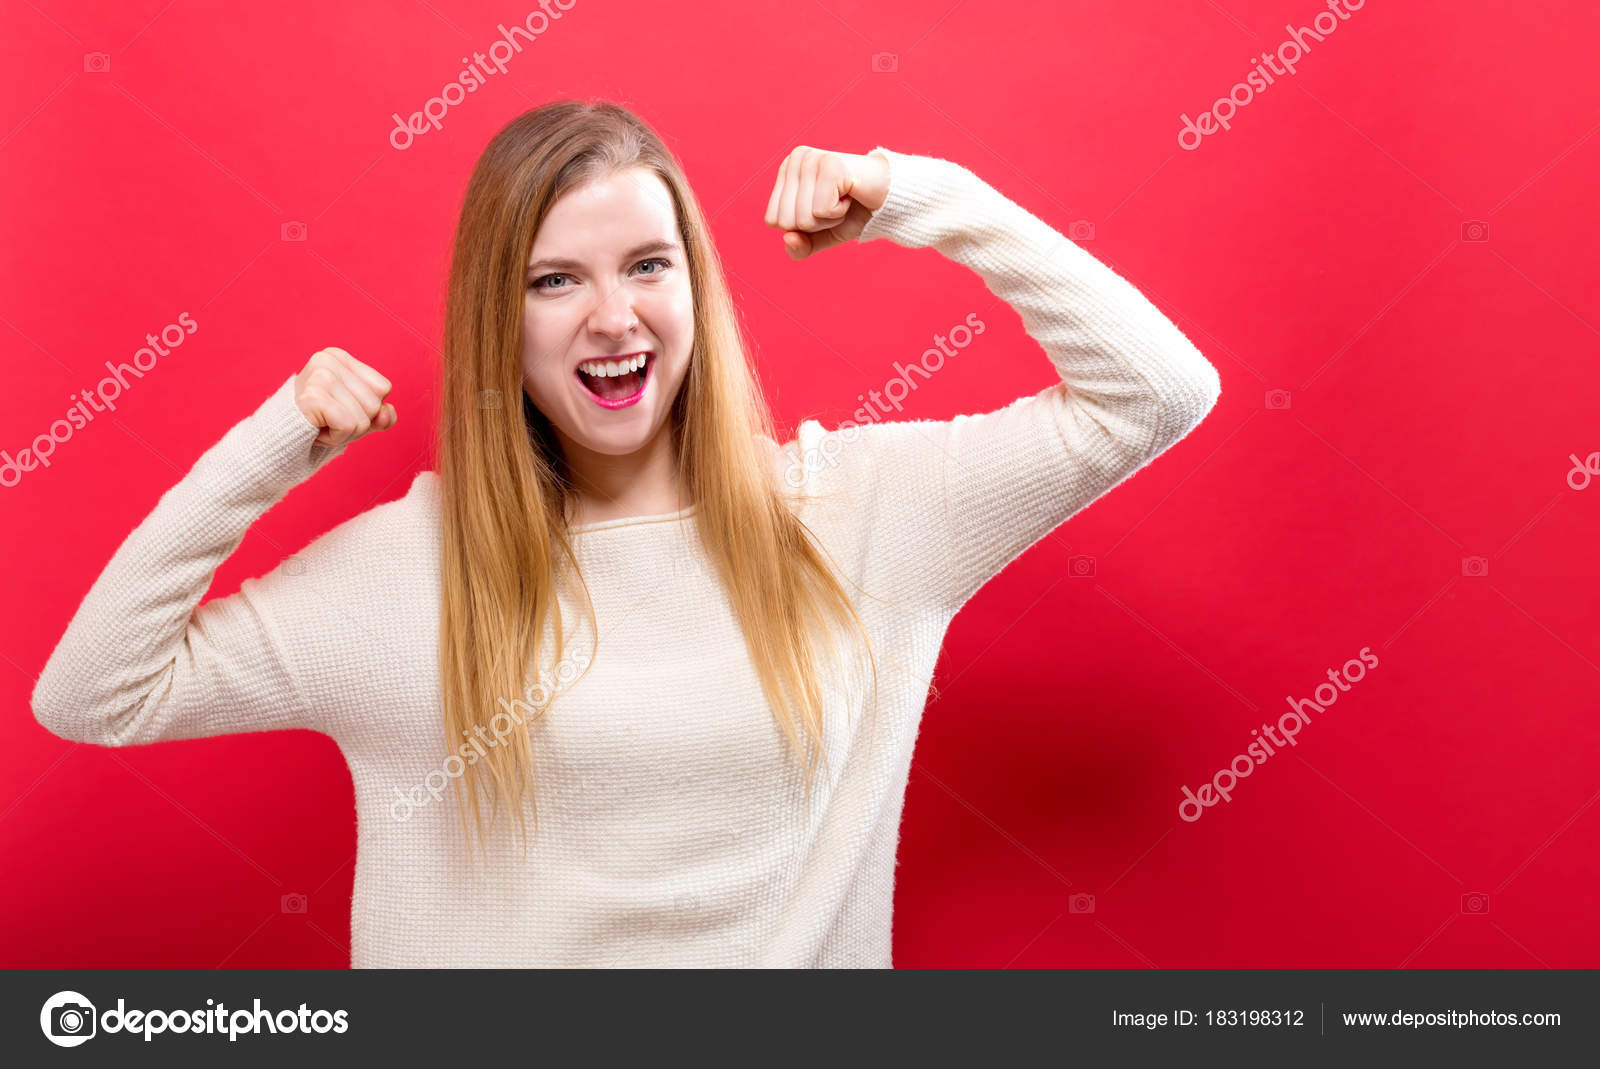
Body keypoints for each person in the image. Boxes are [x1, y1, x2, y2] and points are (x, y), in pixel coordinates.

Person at [31, 99, 1222, 967]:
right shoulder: (416, 570)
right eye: (555, 281)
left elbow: (1156, 392)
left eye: (648, 266)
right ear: (498, 318)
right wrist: (272, 445)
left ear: (694, 289)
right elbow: (95, 694)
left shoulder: (862, 515)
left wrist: (923, 199)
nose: (614, 318)